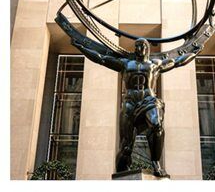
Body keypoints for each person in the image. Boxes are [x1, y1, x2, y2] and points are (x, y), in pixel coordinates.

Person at [57, 14, 196, 177]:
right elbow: (101, 58)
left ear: (147, 48)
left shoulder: (155, 64)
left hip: (149, 101)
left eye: (142, 46)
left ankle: (155, 162)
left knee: (157, 125)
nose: (139, 48)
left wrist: (195, 51)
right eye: (137, 46)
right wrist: (80, 47)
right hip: (130, 104)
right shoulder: (125, 64)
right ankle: (122, 172)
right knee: (126, 147)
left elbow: (178, 61)